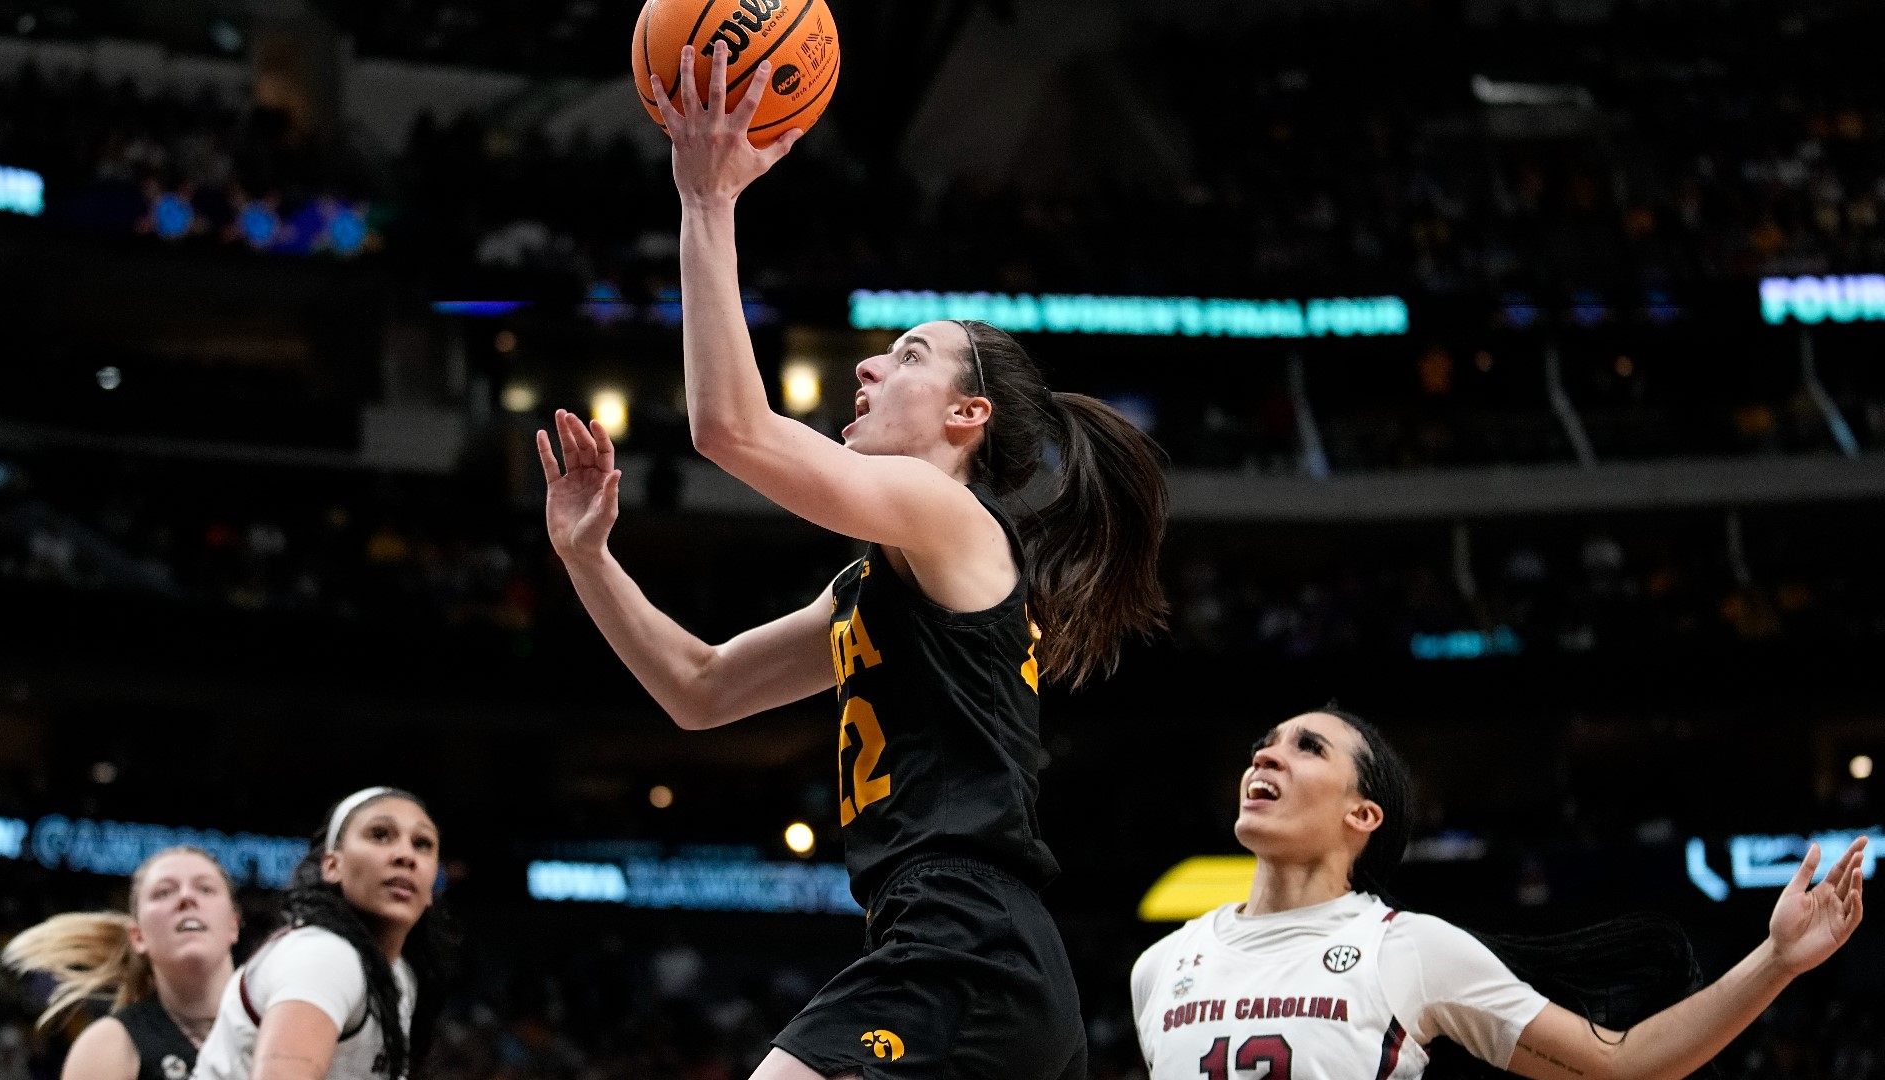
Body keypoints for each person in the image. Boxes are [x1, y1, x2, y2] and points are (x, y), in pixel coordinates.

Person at [536, 41, 1171, 1080]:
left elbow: (730, 429)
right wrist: (588, 558)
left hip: (964, 948)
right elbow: (701, 688)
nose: (873, 363)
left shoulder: (950, 516)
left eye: (911, 353)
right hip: (961, 952)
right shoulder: (882, 581)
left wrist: (708, 204)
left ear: (969, 416)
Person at [1130, 708, 1867, 1080]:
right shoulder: (1161, 965)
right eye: (1268, 741)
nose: (1266, 753)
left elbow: (1621, 1066)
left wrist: (1776, 960)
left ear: (1363, 816)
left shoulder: (1409, 948)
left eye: (1307, 747)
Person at [193, 788, 450, 1080]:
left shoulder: (401, 975)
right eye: (380, 834)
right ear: (332, 866)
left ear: (432, 888)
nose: (406, 855)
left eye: (422, 844)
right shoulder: (324, 955)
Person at [3, 847, 241, 1080]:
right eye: (164, 892)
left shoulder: (272, 1024)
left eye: (205, 888)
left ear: (234, 924)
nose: (186, 897)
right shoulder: (111, 1045)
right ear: (138, 937)